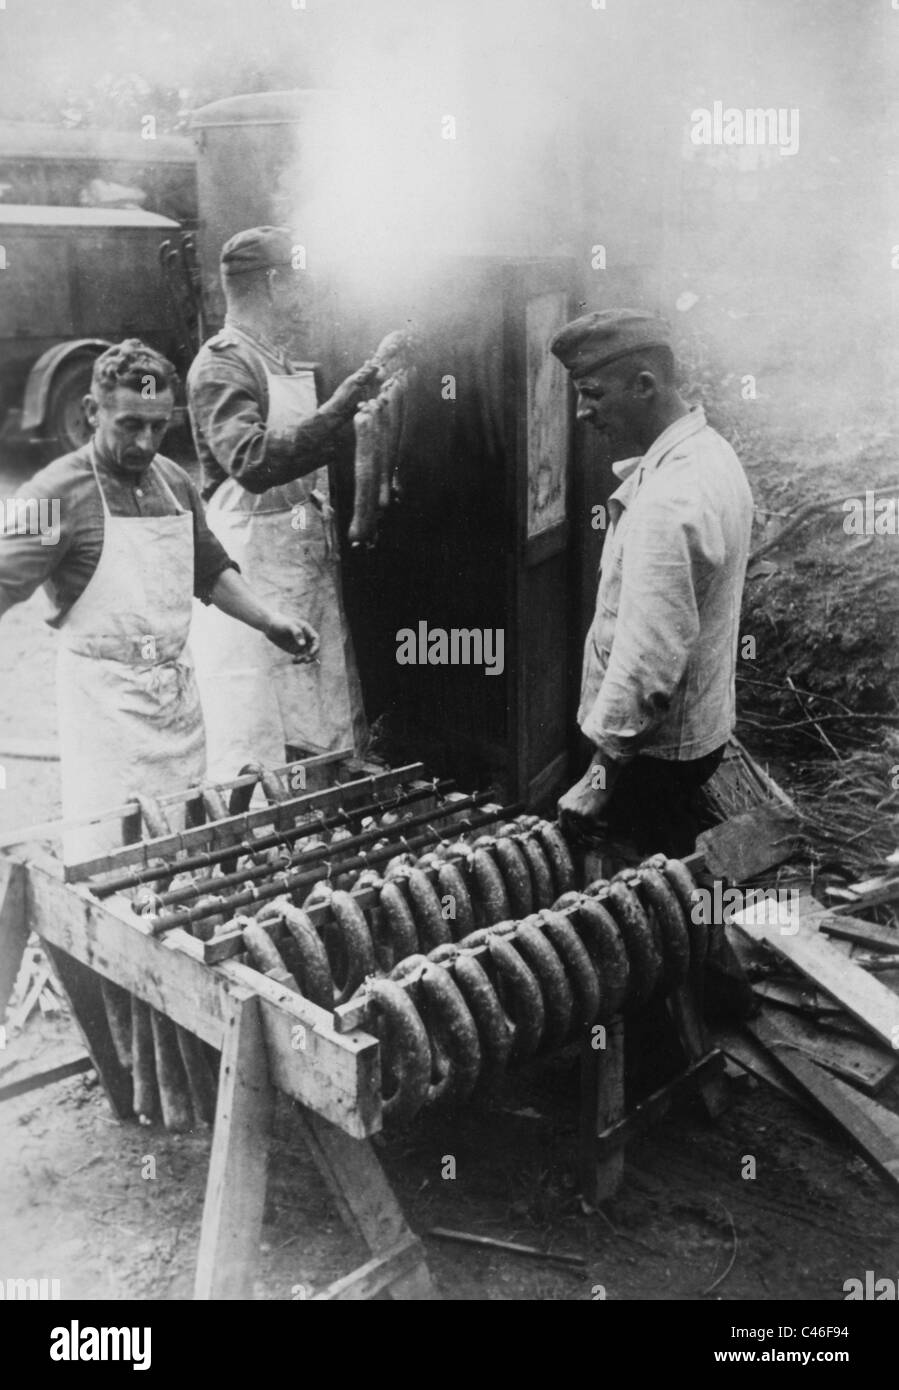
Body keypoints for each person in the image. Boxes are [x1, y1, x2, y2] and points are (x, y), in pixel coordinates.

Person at [0, 339, 318, 862]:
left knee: (182, 850)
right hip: (103, 706)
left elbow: (209, 569)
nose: (146, 442)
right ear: (91, 412)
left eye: (158, 425)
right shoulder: (53, 493)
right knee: (110, 857)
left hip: (175, 700)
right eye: (130, 425)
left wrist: (269, 620)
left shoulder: (174, 483)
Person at [551, 309, 754, 858]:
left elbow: (650, 660)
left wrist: (597, 782)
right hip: (693, 736)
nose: (582, 411)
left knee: (631, 896)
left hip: (649, 757)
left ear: (644, 385)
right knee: (670, 873)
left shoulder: (670, 499)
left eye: (592, 393)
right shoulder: (710, 453)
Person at [187, 225, 380, 779]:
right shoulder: (223, 363)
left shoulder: (279, 357)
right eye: (301, 281)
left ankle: (318, 830)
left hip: (302, 561)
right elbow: (250, 463)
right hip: (255, 570)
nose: (310, 293)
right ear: (274, 282)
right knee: (255, 729)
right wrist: (341, 406)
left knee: (318, 716)